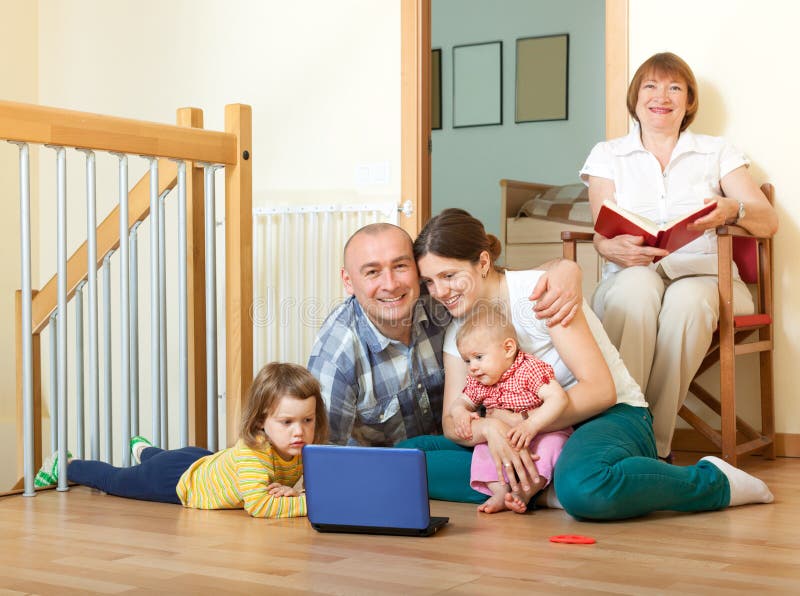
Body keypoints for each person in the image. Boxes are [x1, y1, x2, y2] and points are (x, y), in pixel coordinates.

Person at [402, 208, 773, 520]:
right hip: (533, 434)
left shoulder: (542, 293)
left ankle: (714, 482)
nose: (440, 292)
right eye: (429, 282)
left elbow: (600, 391)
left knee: (585, 489)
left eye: (449, 276)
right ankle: (543, 485)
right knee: (407, 458)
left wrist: (521, 424)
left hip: (609, 417)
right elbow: (452, 421)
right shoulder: (459, 330)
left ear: (483, 262)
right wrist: (490, 429)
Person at [579, 52, 779, 460]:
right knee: (636, 291)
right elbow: (603, 230)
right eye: (651, 86)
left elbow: (768, 221)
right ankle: (621, 429)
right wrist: (608, 246)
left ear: (689, 101)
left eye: (675, 88)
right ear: (635, 98)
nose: (662, 96)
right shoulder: (607, 154)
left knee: (687, 303)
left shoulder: (717, 151)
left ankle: (648, 446)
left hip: (708, 279)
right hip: (632, 274)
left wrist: (734, 209)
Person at [307, 222, 582, 503]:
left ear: (417, 270)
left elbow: (496, 280)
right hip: (396, 470)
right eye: (372, 272)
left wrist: (566, 269)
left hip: (467, 443)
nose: (390, 284)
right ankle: (531, 488)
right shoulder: (337, 353)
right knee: (401, 461)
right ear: (348, 281)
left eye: (400, 266)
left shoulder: (442, 297)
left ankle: (522, 483)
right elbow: (322, 455)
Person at [34, 362, 327, 519]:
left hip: (202, 460)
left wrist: (291, 491)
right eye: (287, 422)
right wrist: (311, 503)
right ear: (261, 421)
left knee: (169, 458)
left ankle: (146, 451)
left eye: (307, 420)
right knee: (116, 480)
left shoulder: (301, 449)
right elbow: (260, 506)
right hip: (176, 480)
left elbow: (287, 490)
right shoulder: (255, 451)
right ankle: (67, 464)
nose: (299, 432)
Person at [451, 304, 571, 514]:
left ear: (508, 348)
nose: (472, 367)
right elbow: (461, 402)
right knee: (482, 450)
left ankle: (524, 492)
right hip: (502, 438)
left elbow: (558, 398)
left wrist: (531, 425)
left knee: (552, 445)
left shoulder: (528, 369)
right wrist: (459, 411)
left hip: (540, 432)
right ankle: (500, 492)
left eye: (478, 357)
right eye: (467, 361)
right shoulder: (479, 381)